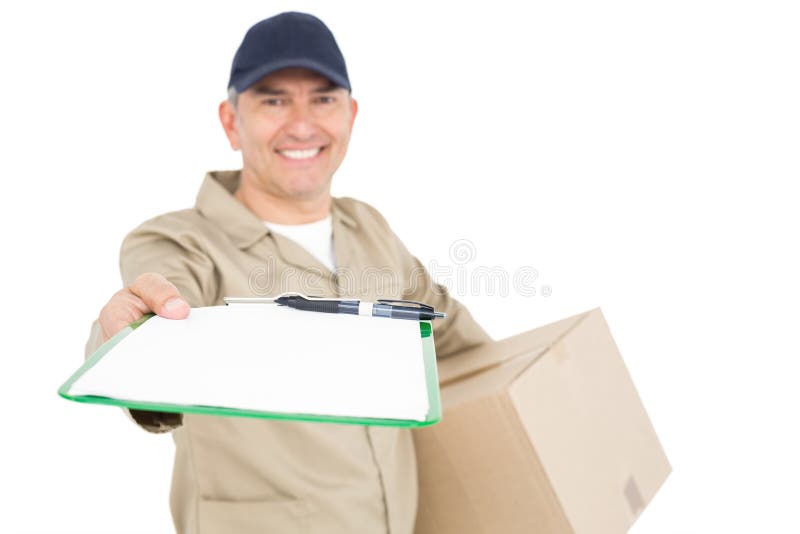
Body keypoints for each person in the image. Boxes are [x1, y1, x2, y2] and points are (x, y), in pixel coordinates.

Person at [85, 12, 490, 534]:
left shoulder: (369, 228)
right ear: (231, 122)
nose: (302, 124)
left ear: (351, 116)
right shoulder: (179, 243)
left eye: (323, 99)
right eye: (274, 101)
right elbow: (152, 319)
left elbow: (453, 338)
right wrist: (123, 342)